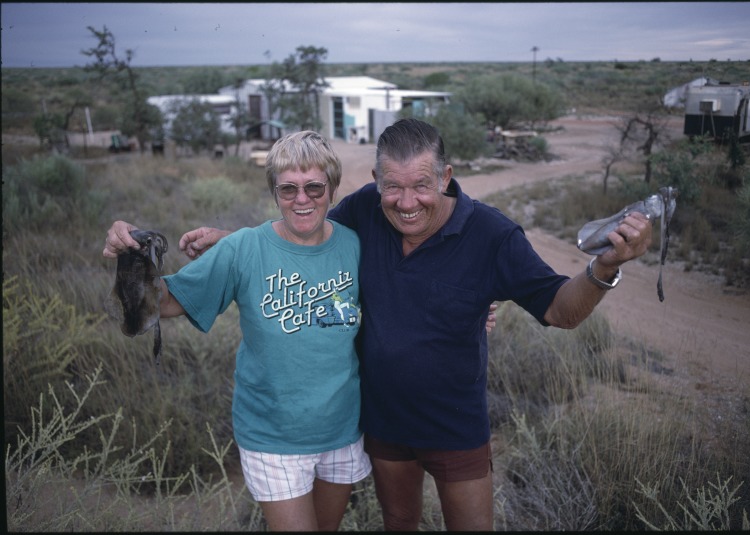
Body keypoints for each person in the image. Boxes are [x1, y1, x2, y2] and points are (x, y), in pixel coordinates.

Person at [178, 118, 653, 531]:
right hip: (383, 425)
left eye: (422, 185)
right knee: (399, 524)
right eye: (393, 186)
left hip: (456, 424)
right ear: (376, 179)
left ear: (446, 177)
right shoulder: (365, 209)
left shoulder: (493, 235)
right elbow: (303, 234)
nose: (406, 202)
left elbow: (559, 310)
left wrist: (604, 269)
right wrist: (233, 244)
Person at [102, 131, 372, 531]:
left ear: (332, 188)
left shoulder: (354, 246)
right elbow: (162, 304)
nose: (302, 198)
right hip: (273, 437)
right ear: (274, 192)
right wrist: (131, 257)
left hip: (343, 431)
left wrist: (476, 307)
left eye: (314, 186)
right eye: (288, 189)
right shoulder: (242, 249)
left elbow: (403, 298)